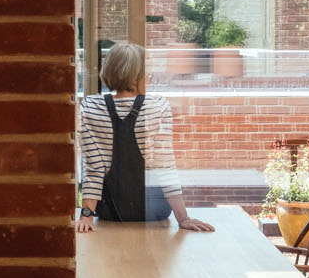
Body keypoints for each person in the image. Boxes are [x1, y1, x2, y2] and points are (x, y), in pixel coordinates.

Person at [76, 42, 213, 233]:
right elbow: (164, 166)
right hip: (154, 211)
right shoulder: (158, 105)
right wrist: (183, 218)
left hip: (110, 211)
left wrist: (86, 216)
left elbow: (93, 168)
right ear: (138, 76)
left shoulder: (90, 107)